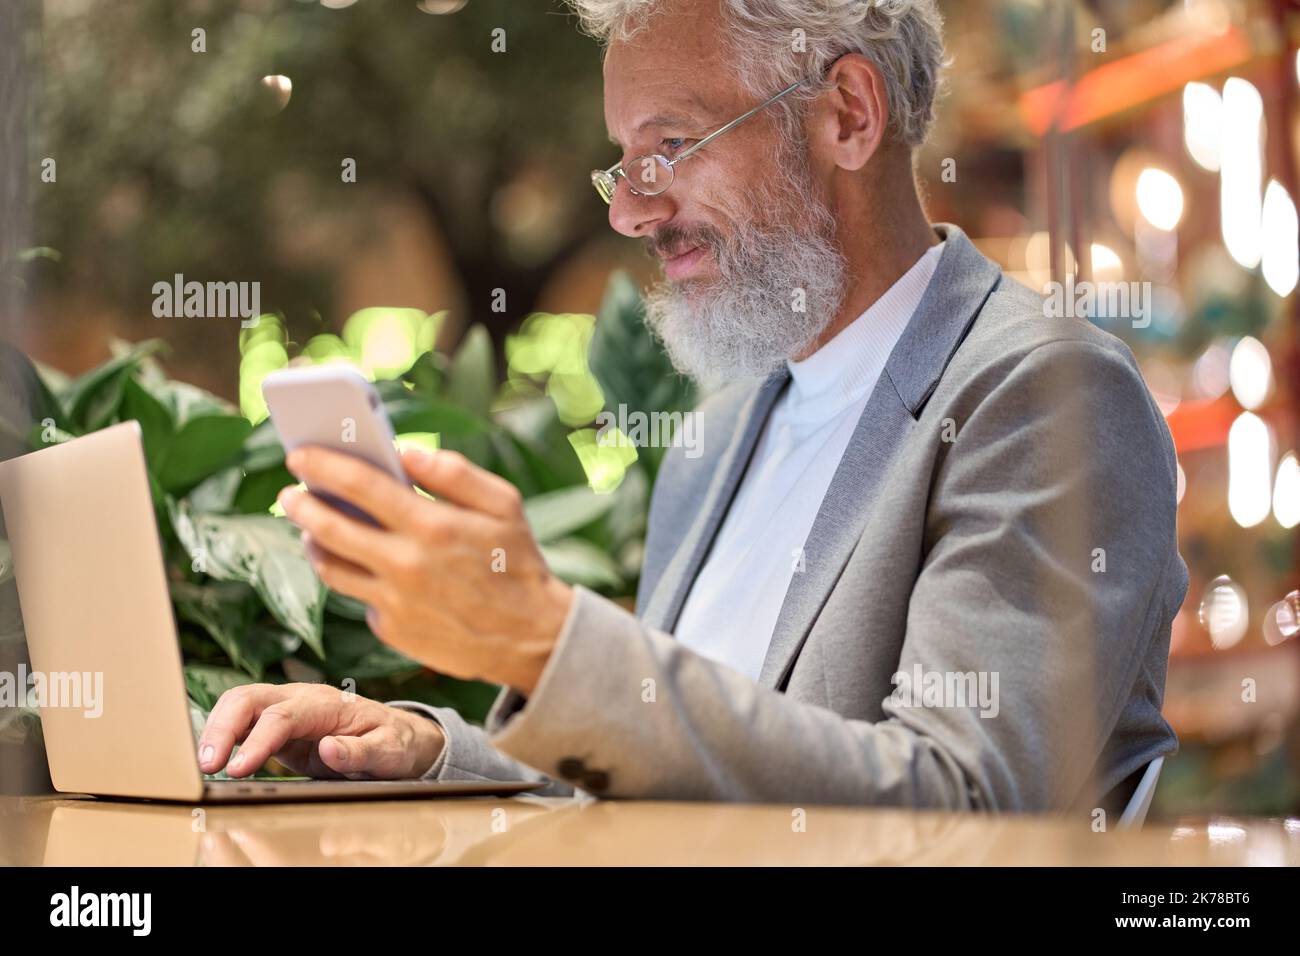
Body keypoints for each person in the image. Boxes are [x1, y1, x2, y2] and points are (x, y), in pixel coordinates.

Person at [199, 0, 1186, 813]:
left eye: (670, 144)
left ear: (847, 113)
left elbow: (963, 806)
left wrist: (545, 639)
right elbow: (684, 760)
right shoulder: (715, 434)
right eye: (622, 160)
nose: (628, 210)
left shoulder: (1044, 399)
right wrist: (423, 746)